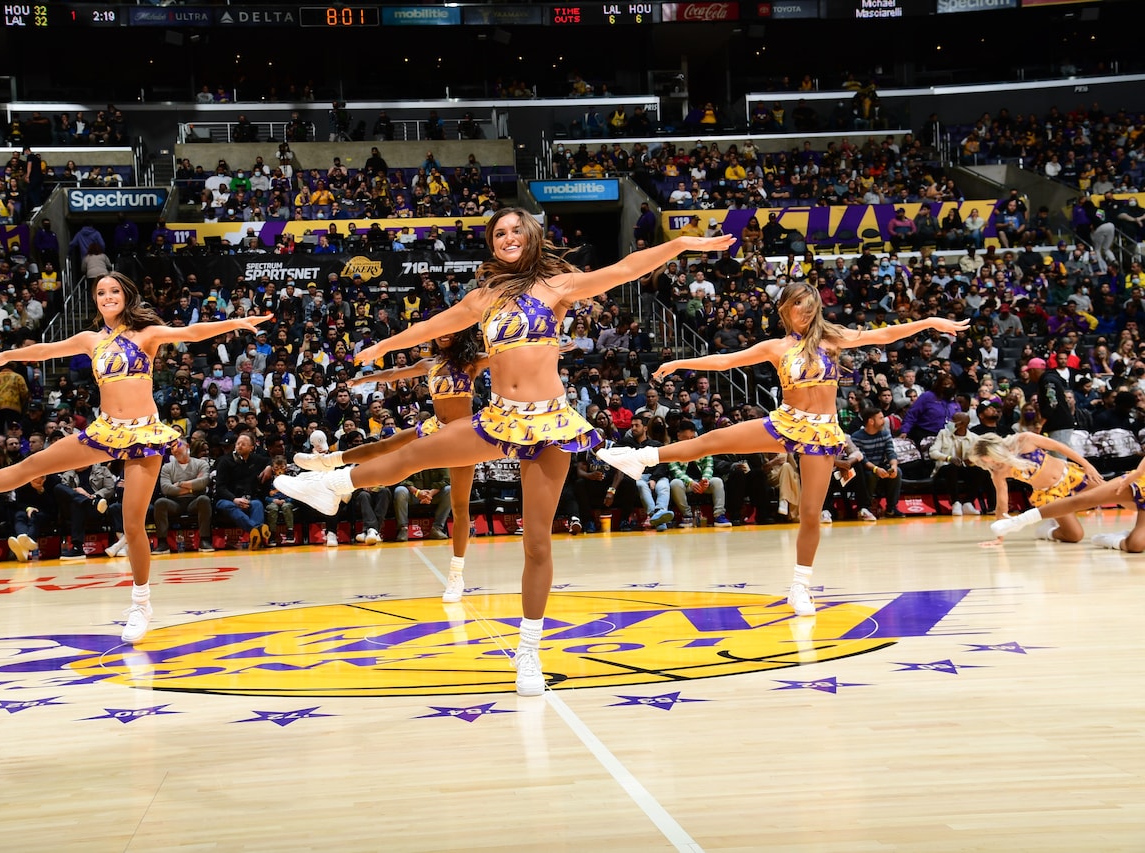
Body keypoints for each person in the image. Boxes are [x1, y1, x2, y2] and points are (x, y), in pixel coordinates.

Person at [276, 209, 736, 695]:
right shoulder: (483, 298)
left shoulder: (557, 286)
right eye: (500, 233)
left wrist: (682, 245)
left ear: (531, 236)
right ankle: (333, 486)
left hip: (551, 420)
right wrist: (381, 348)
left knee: (536, 541)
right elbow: (432, 325)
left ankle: (530, 653)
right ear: (491, 244)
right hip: (499, 416)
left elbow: (624, 269)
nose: (509, 237)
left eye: (517, 230)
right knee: (419, 451)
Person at [0, 273, 271, 643]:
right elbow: (47, 351)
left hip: (143, 433)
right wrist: (9, 356)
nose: (107, 296)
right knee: (34, 464)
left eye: (113, 291)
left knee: (131, 526)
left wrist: (235, 323)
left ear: (126, 296)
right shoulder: (90, 339)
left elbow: (190, 333)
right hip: (105, 429)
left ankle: (141, 604)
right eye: (100, 293)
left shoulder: (148, 334)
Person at [597, 281, 967, 617]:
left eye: (809, 305)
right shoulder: (776, 347)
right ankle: (640, 457)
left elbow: (884, 334)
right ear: (785, 310)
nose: (804, 311)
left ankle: (800, 587)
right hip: (786, 421)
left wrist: (929, 321)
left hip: (822, 433)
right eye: (796, 306)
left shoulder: (832, 338)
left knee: (810, 513)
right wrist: (679, 361)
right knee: (714, 439)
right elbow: (725, 360)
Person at [296, 328, 483, 601]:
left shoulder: (472, 360)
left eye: (449, 331)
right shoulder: (429, 364)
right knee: (384, 446)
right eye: (440, 331)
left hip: (464, 434)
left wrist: (546, 350)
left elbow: (508, 356)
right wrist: (364, 379)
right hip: (436, 426)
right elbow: (394, 374)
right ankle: (327, 461)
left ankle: (456, 574)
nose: (443, 334)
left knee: (460, 507)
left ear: (459, 335)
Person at [972, 432, 1104, 544]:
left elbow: (1059, 447)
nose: (995, 464)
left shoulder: (1025, 440)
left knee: (1114, 490)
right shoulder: (998, 472)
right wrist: (999, 537)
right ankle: (1047, 532)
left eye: (995, 459)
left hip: (1069, 474)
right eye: (988, 462)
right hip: (1050, 494)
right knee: (1075, 536)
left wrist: (1087, 466)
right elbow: (1002, 504)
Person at [992, 456, 1145, 552]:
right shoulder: (1023, 440)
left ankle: (1114, 539)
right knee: (1084, 500)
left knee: (1135, 546)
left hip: (1068, 475)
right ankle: (1019, 521)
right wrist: (1138, 473)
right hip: (1140, 482)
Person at [152, 440, 215, 554]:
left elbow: (203, 482)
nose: (175, 450)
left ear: (187, 446)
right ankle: (162, 543)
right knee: (160, 502)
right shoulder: (167, 467)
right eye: (172, 448)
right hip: (175, 503)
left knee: (204, 500)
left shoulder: (201, 464)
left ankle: (205, 540)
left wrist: (180, 483)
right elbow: (166, 488)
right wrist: (192, 486)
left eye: (177, 446)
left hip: (195, 501)